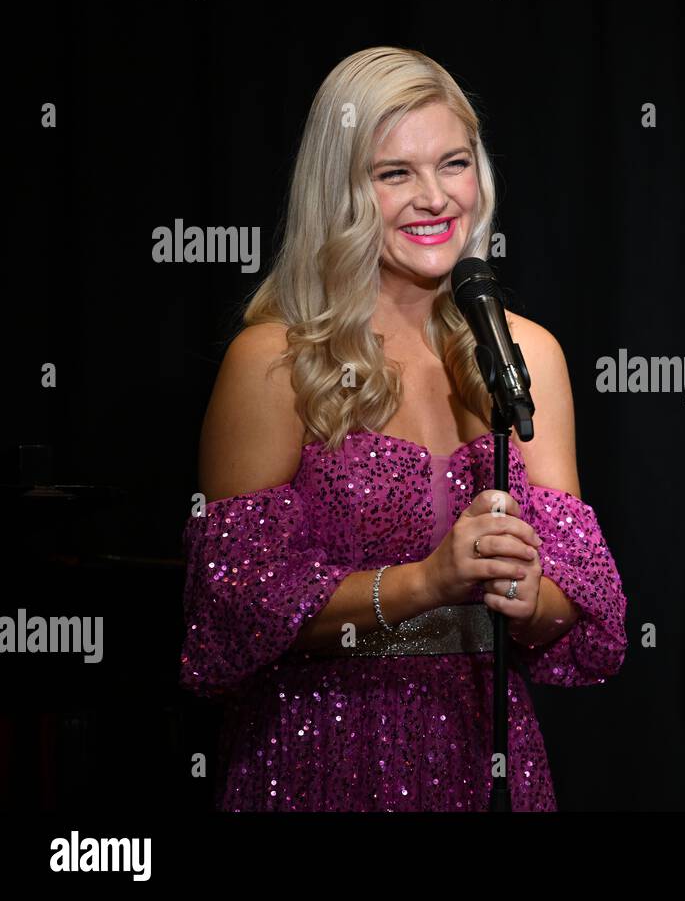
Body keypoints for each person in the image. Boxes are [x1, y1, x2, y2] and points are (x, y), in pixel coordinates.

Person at [179, 46, 627, 811]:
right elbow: (229, 609)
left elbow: (583, 603)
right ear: (341, 190)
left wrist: (527, 594)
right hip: (319, 754)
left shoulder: (530, 354)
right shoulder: (275, 360)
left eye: (453, 163)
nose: (435, 198)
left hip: (487, 751)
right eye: (395, 174)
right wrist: (426, 584)